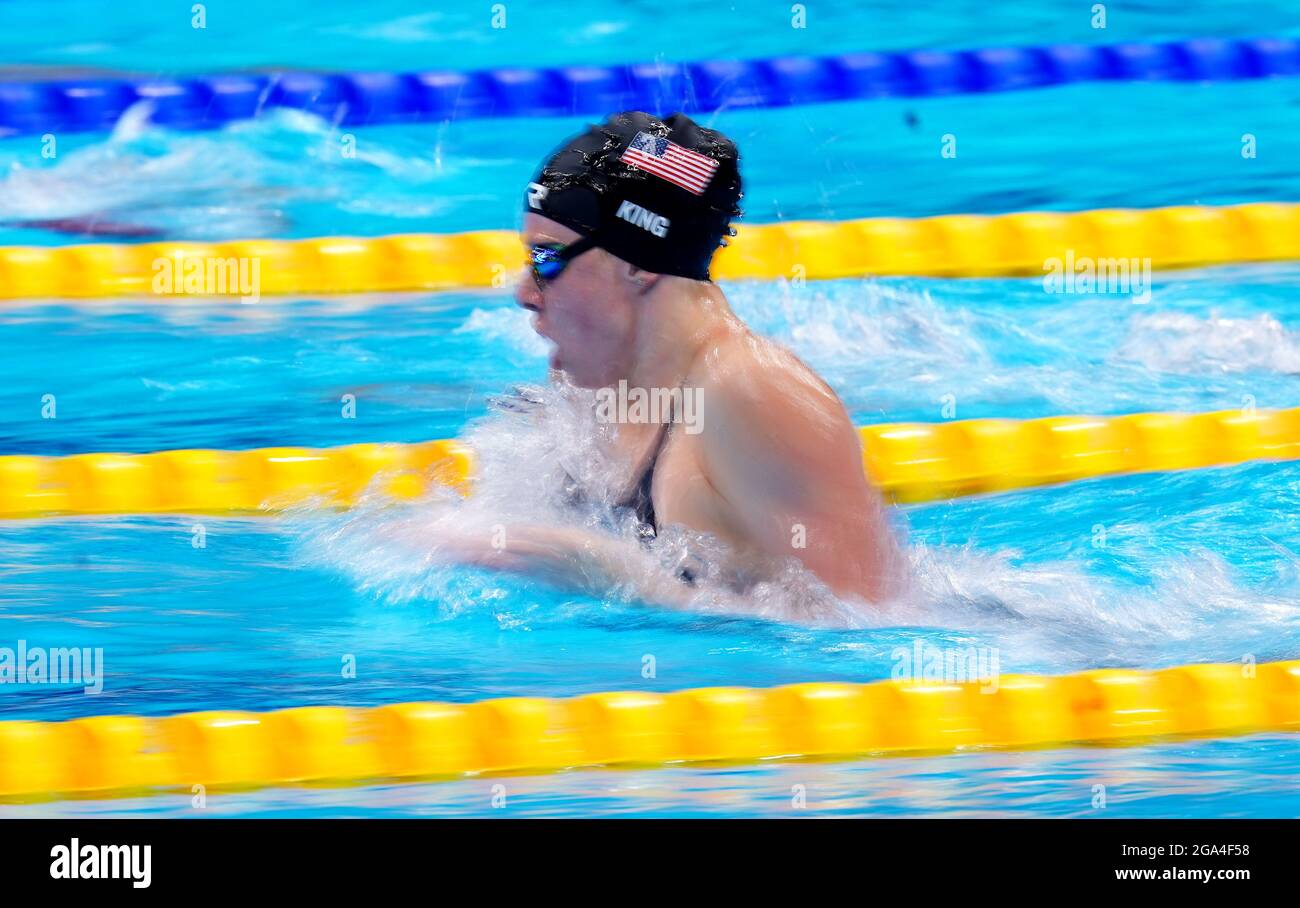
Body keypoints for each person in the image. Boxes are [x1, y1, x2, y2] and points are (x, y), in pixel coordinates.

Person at [446, 111, 905, 607]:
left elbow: (866, 630)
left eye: (548, 260)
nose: (523, 294)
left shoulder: (755, 392)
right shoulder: (593, 389)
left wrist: (609, 571)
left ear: (637, 264)